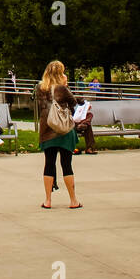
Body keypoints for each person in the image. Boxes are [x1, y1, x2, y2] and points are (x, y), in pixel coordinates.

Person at [35, 60, 81, 209]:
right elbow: (73, 102)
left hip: (47, 128)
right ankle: (73, 200)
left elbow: (41, 106)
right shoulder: (62, 88)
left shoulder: (40, 88)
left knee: (49, 163)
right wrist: (65, 85)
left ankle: (48, 200)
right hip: (63, 129)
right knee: (66, 164)